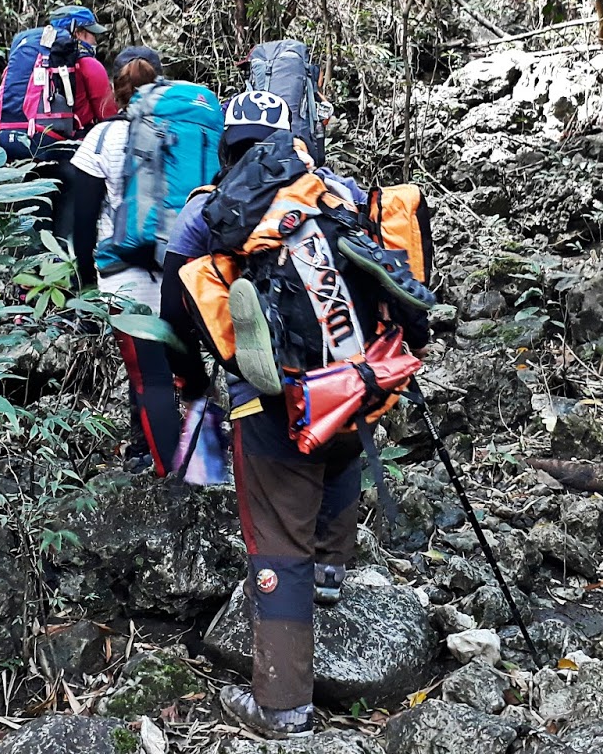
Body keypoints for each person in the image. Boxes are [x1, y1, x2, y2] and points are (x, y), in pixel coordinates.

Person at [164, 91, 430, 740]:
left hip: (271, 399)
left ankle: (281, 706)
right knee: (339, 448)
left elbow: (176, 305)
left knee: (276, 533)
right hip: (356, 380)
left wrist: (193, 384)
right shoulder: (336, 190)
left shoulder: (210, 209)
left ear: (227, 143)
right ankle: (332, 571)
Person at [70, 47, 212, 475]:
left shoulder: (101, 138)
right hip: (186, 269)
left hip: (126, 275)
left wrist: (86, 289)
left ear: (115, 88)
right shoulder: (189, 130)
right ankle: (206, 467)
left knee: (148, 378)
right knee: (190, 370)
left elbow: (81, 225)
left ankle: (168, 477)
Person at [0, 5, 116, 246]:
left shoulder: (25, 62)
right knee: (67, 203)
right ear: (78, 33)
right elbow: (107, 114)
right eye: (91, 33)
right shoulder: (87, 64)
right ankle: (61, 271)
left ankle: (28, 276)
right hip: (59, 146)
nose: (94, 39)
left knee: (32, 204)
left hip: (14, 143)